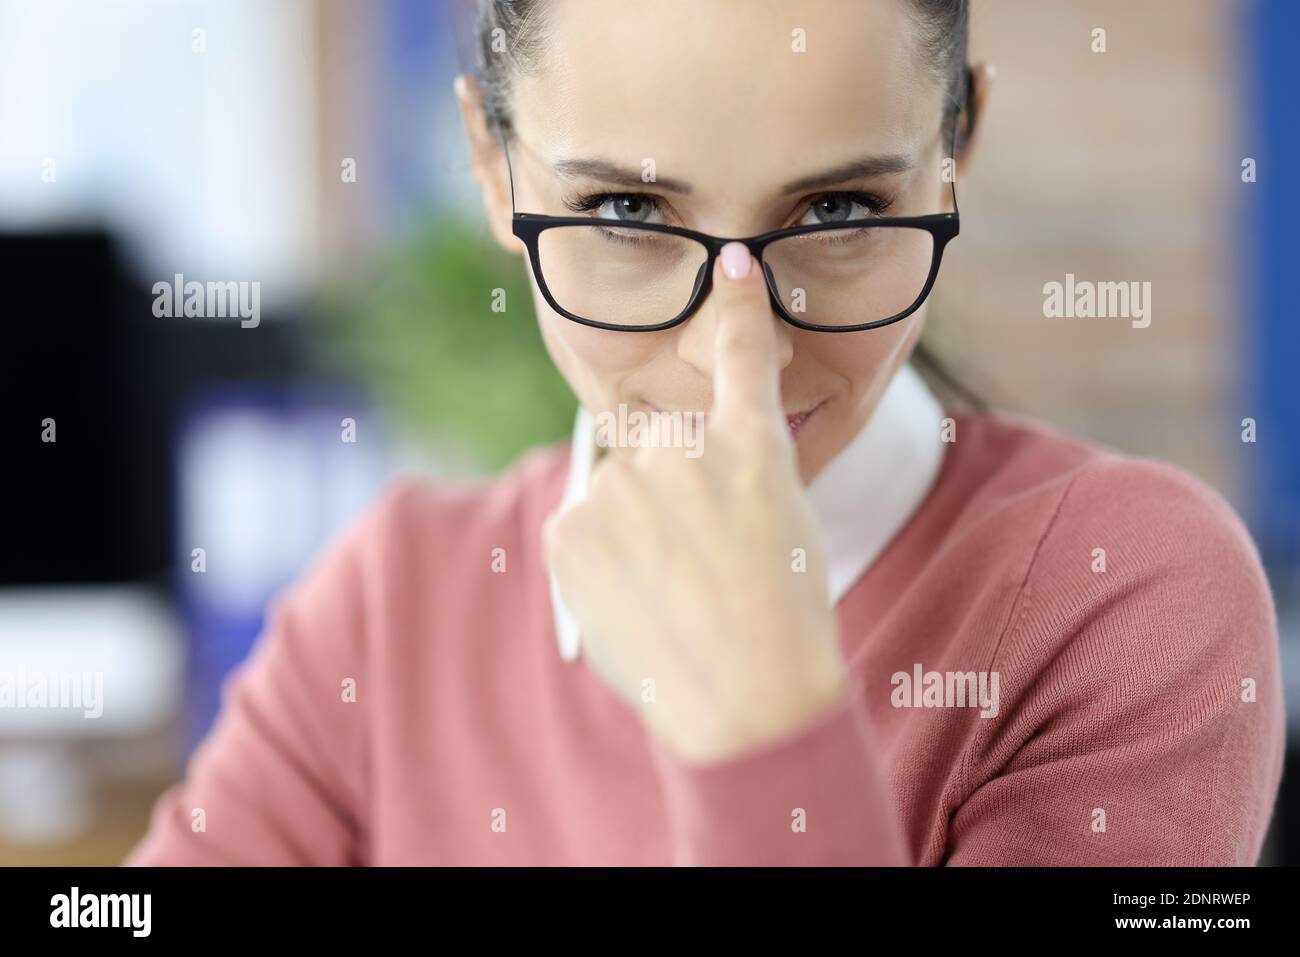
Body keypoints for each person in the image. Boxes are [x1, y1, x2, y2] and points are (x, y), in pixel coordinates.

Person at [126, 0, 1283, 866]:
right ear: (491, 165)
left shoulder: (1126, 600)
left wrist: (759, 721)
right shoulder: (389, 608)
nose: (741, 350)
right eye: (626, 213)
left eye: (841, 212)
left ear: (955, 152)